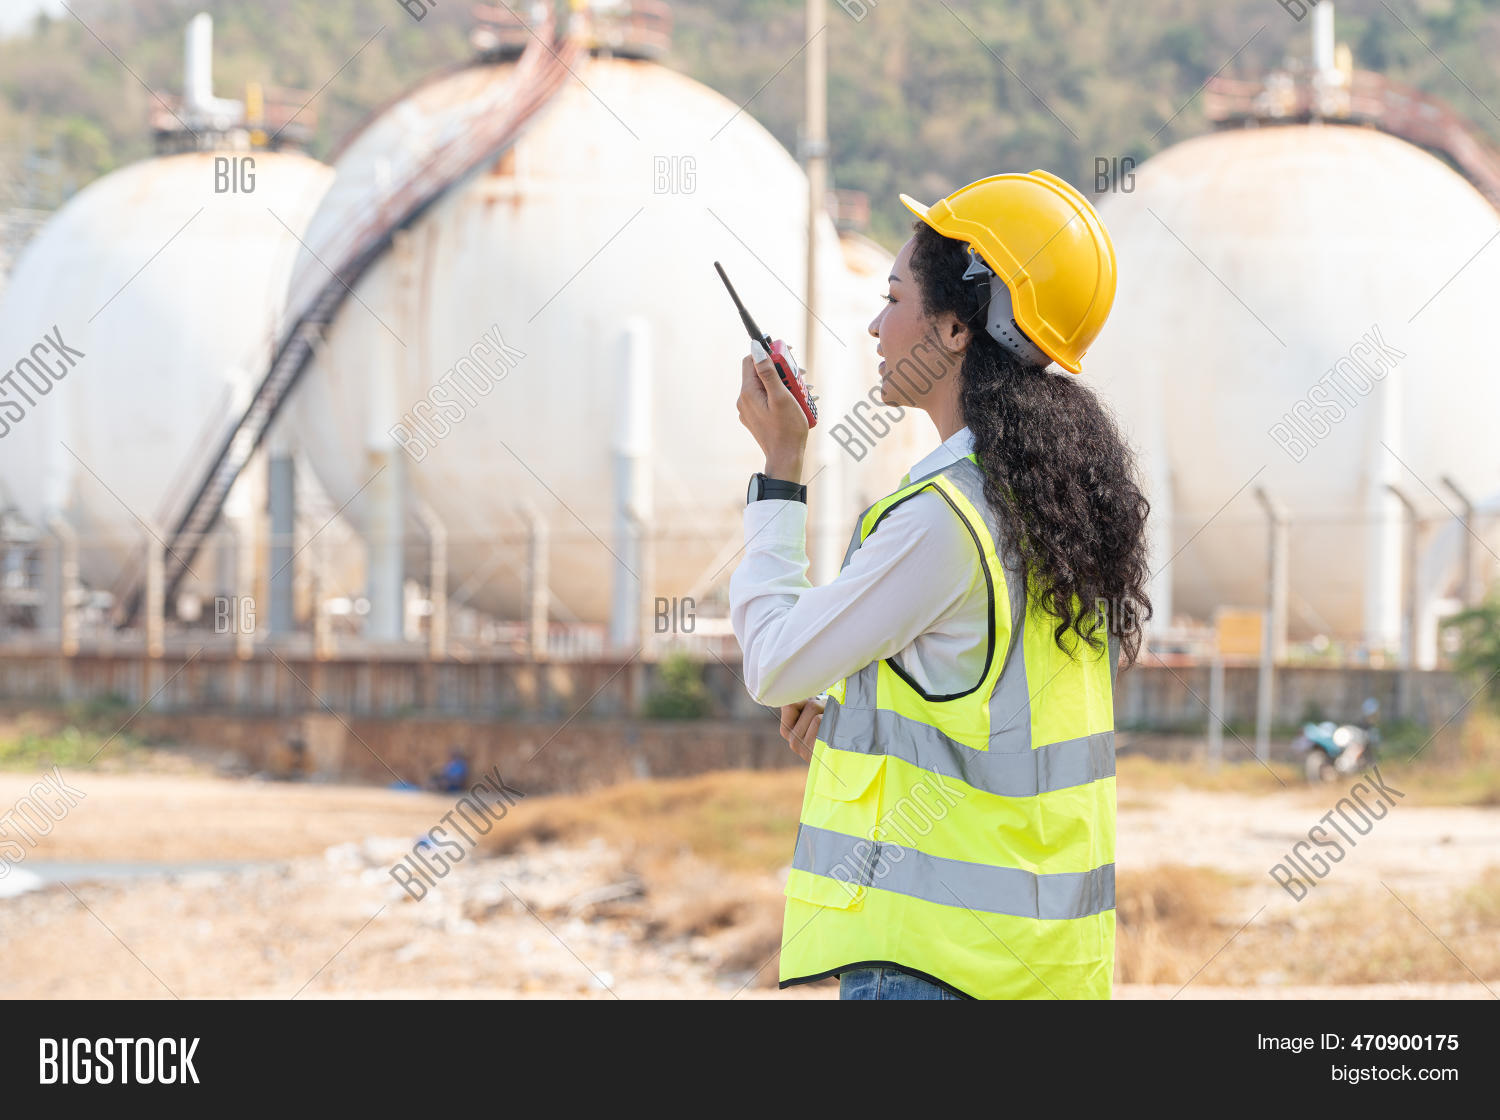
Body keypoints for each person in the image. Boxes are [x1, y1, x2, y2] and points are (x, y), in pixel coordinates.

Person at [730, 171, 1152, 999]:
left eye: (893, 298)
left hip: (935, 969)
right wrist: (860, 737)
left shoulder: (946, 519)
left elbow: (775, 666)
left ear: (957, 327)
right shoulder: (1061, 508)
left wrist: (780, 469)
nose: (875, 326)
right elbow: (993, 734)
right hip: (1049, 971)